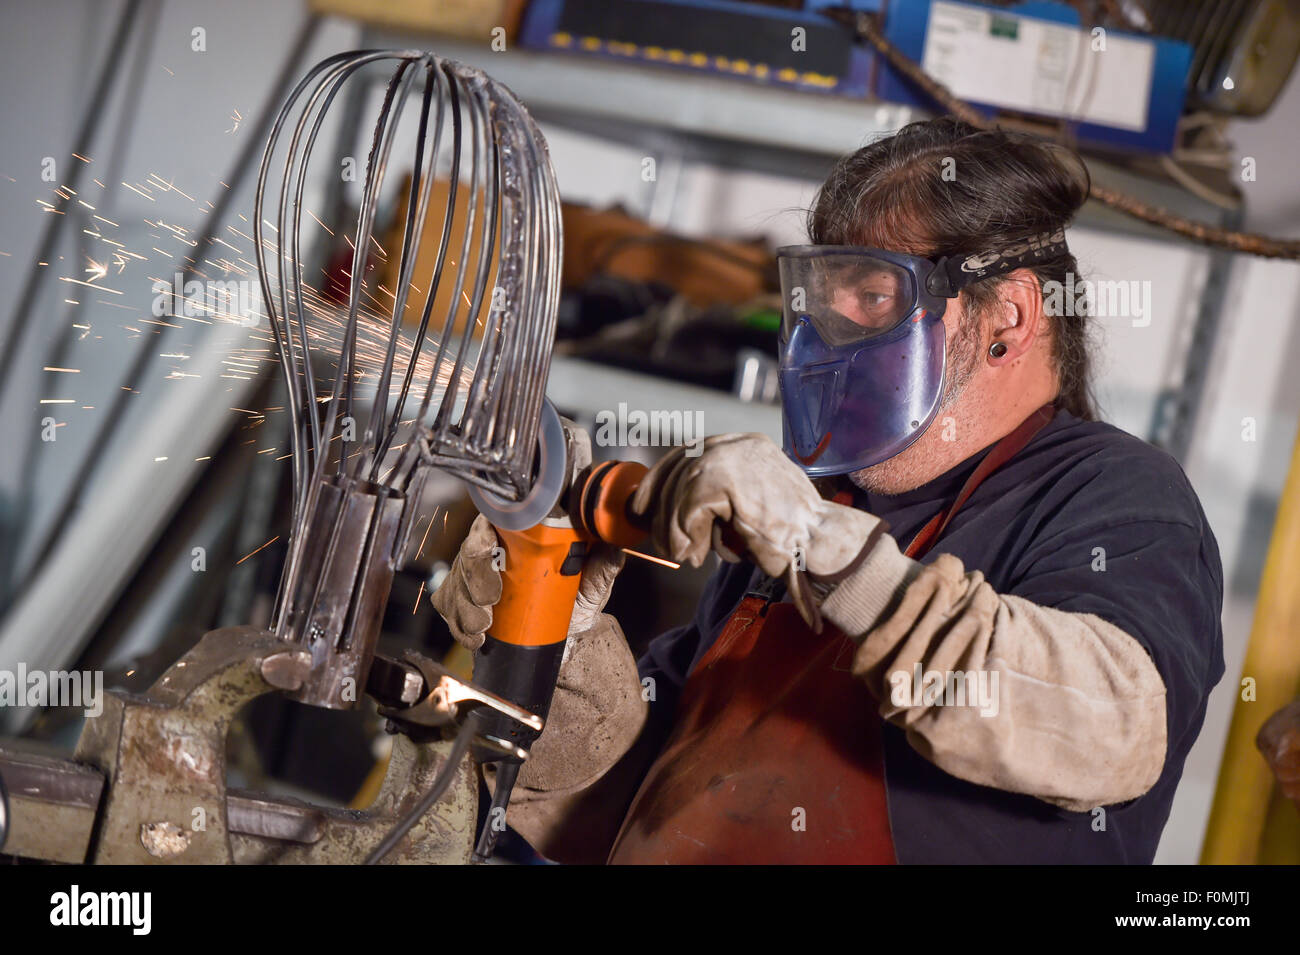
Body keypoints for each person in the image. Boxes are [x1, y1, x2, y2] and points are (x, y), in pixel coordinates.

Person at [433, 118, 1225, 864]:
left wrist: (825, 554)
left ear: (1009, 319)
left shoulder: (1114, 496)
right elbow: (624, 814)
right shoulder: (818, 504)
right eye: (818, 295)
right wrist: (554, 638)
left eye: (872, 296)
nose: (822, 337)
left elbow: (1109, 724)